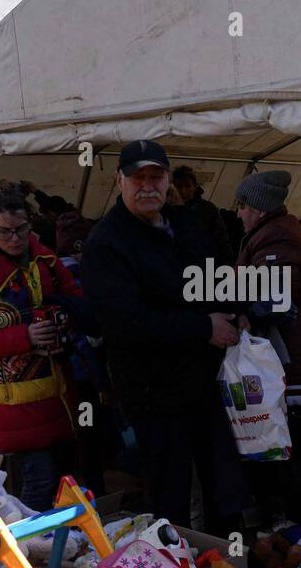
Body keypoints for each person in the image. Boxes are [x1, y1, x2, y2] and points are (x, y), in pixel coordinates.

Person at [80, 140, 250, 532]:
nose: (147, 187)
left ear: (168, 179)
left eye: (155, 177)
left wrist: (238, 309)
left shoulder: (185, 223)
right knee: (169, 495)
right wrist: (204, 327)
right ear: (119, 180)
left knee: (225, 486)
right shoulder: (106, 244)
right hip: (152, 392)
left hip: (204, 381)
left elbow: (216, 273)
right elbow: (126, 324)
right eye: (137, 178)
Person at [0, 183, 82, 511]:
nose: (14, 238)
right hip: (13, 403)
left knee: (67, 485)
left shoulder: (46, 261)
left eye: (21, 229)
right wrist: (26, 337)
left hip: (58, 393)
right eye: (3, 231)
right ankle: (23, 553)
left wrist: (64, 317)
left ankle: (58, 553)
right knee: (38, 483)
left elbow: (78, 303)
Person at [234, 169, 301, 406]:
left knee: (288, 439)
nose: (238, 214)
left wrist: (239, 312)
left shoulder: (277, 238)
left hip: (297, 368)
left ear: (260, 209)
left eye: (242, 206)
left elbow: (277, 301)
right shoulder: (273, 233)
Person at [172, 166, 234, 265]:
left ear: (195, 186)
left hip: (204, 268)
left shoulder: (208, 209)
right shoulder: (168, 211)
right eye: (179, 187)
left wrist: (227, 267)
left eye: (188, 186)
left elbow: (222, 241)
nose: (183, 191)